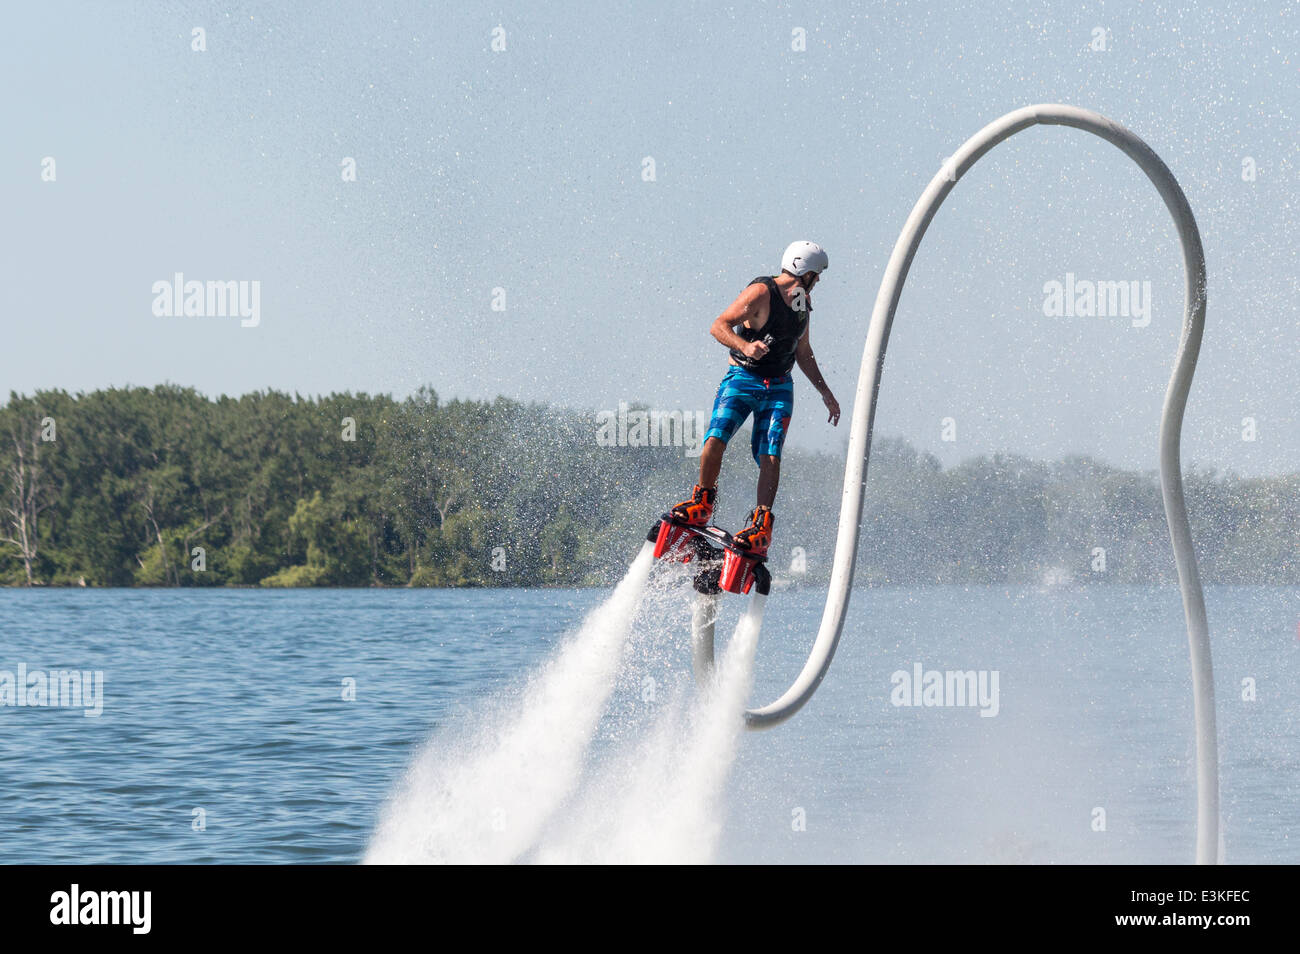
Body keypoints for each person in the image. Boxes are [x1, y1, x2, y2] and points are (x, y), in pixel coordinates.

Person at [668, 241, 840, 554]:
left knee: (770, 455)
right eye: (817, 274)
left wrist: (825, 392)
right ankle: (702, 501)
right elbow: (719, 325)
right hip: (743, 379)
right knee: (715, 439)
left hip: (779, 386)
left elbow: (803, 351)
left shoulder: (803, 304)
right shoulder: (762, 292)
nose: (819, 281)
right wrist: (745, 346)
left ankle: (761, 524)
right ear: (806, 272)